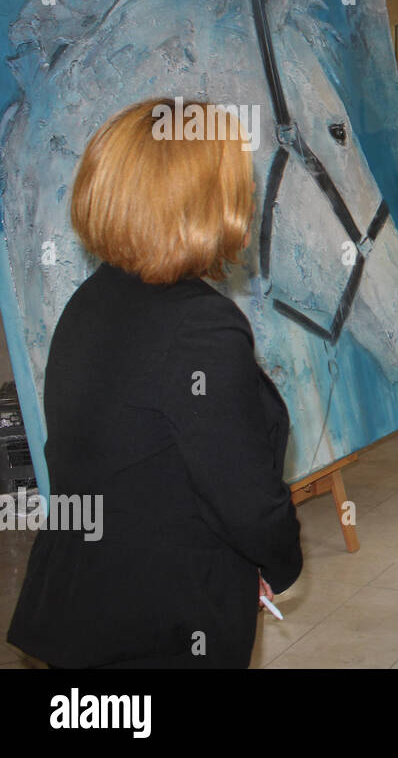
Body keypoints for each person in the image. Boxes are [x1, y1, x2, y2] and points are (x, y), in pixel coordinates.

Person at [6, 98, 302, 669]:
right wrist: (276, 559)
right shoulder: (201, 326)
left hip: (81, 609)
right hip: (160, 625)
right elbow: (241, 495)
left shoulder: (89, 302)